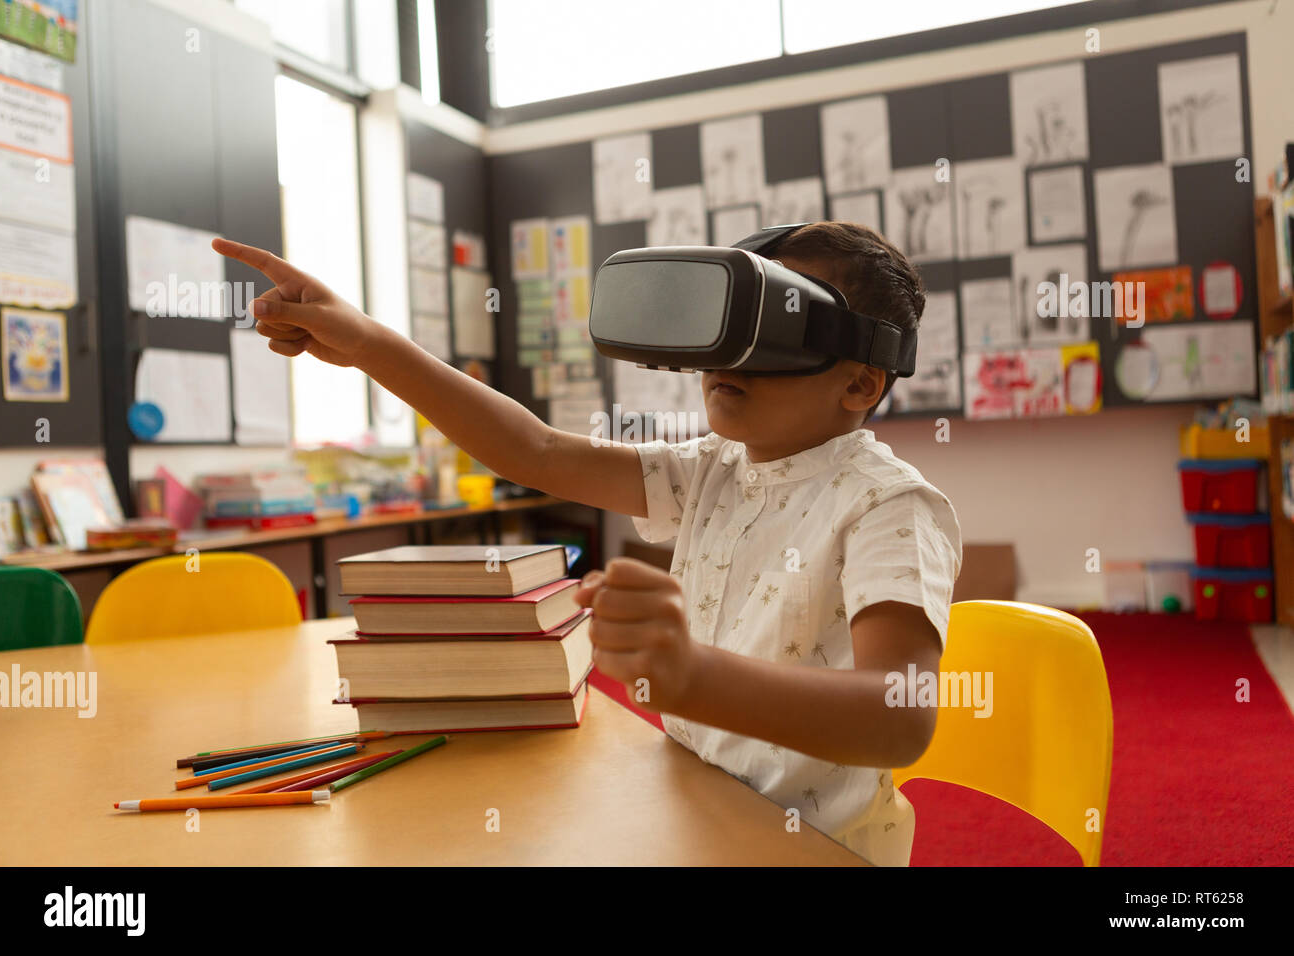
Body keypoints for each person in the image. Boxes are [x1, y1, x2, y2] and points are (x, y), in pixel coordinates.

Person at [213, 220, 962, 865]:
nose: (728, 362)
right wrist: (371, 344)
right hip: (697, 808)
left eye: (778, 334)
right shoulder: (712, 468)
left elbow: (901, 713)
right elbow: (535, 452)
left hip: (812, 848)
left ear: (861, 384)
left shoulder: (889, 506)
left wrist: (694, 676)